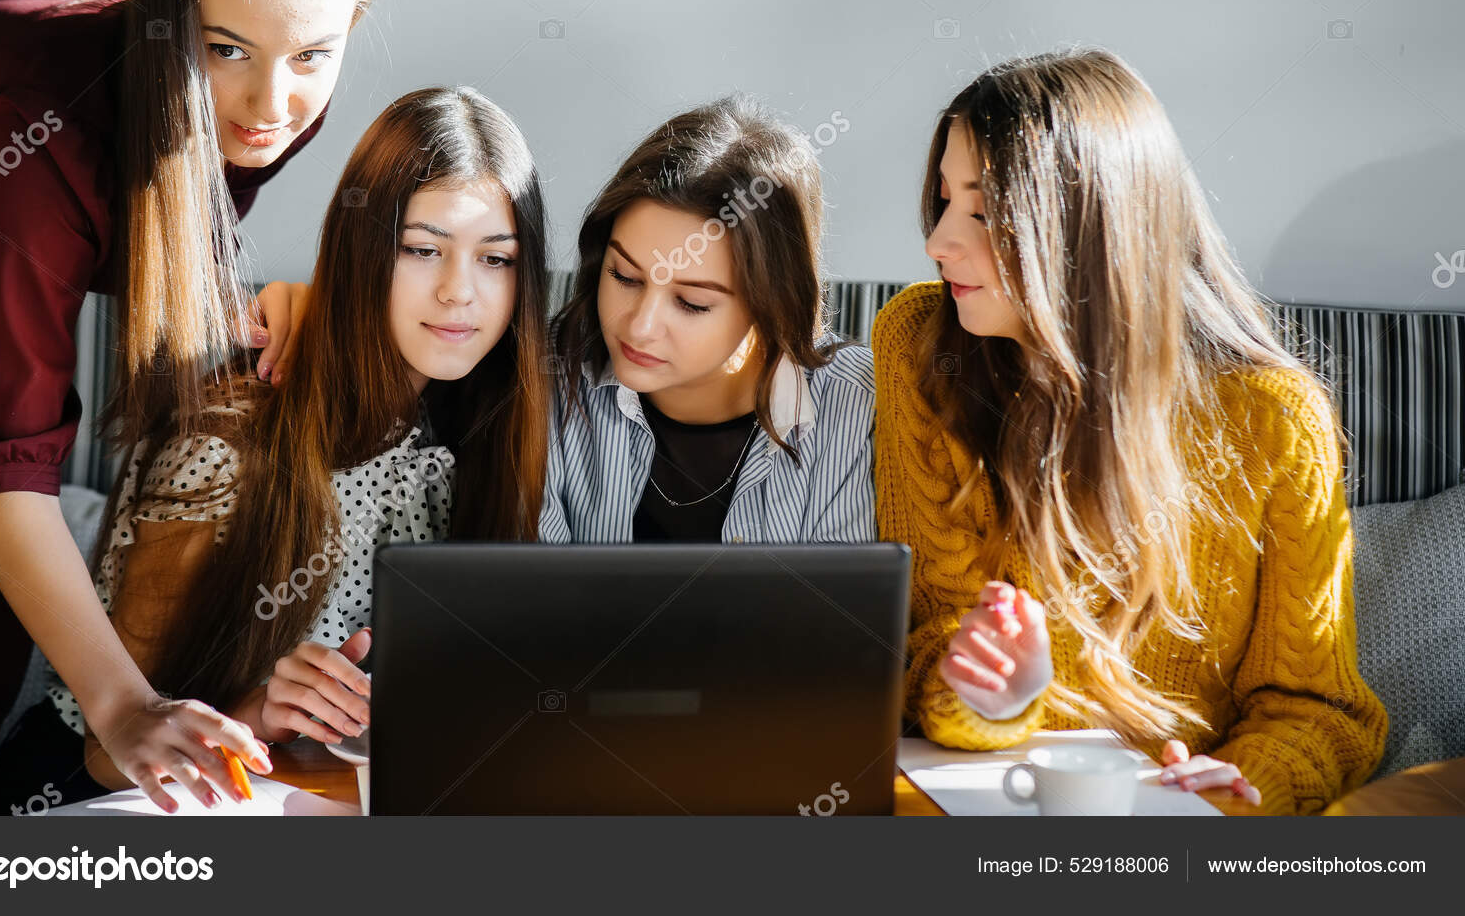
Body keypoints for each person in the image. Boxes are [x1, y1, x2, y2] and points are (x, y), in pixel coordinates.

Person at [0, 0, 378, 812]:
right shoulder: (39, 138)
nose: (272, 104)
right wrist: (125, 706)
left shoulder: (257, 97)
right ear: (168, 21)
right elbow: (10, 473)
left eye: (313, 54)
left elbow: (162, 220)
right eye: (227, 50)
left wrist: (261, 302)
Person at [0, 86, 550, 813]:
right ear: (363, 250)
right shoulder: (228, 441)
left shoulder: (485, 428)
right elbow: (112, 750)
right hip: (94, 801)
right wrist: (258, 712)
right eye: (422, 250)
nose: (460, 293)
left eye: (496, 259)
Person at [873, 49, 1387, 815]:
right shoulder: (920, 345)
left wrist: (1235, 792)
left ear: (1089, 228)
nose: (938, 242)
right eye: (944, 201)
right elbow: (921, 649)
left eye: (981, 213)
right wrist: (992, 695)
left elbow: (1321, 713)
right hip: (972, 797)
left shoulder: (1276, 419)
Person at [540, 95, 874, 545]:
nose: (639, 327)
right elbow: (526, 585)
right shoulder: (540, 374)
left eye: (692, 302)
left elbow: (847, 592)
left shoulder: (860, 404)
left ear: (772, 304)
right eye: (624, 277)